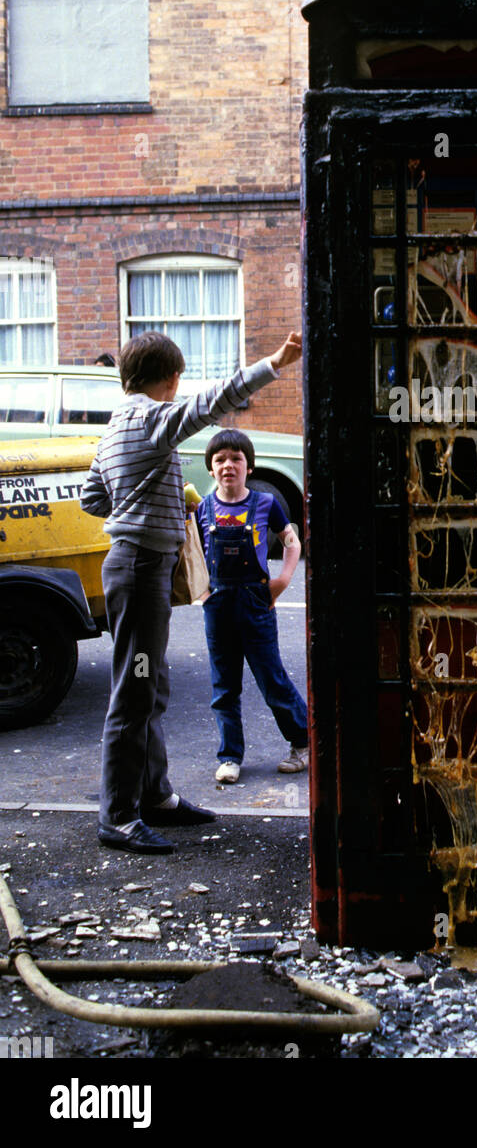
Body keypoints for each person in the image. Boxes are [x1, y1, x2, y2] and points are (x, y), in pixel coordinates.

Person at [80, 329, 302, 854]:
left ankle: (155, 796)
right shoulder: (150, 417)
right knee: (134, 691)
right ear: (172, 377)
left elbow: (94, 498)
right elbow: (212, 402)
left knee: (149, 686)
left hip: (138, 569)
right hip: (139, 572)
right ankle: (118, 816)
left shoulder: (115, 425)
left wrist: (144, 496)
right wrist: (272, 363)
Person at [195, 429, 308, 784]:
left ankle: (303, 742)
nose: (229, 465)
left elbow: (292, 542)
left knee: (271, 679)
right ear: (211, 469)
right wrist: (201, 593)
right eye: (220, 460)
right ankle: (230, 756)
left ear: (249, 466)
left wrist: (284, 580)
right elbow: (193, 554)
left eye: (236, 459)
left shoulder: (265, 504)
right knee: (223, 686)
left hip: (256, 602)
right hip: (218, 604)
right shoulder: (202, 508)